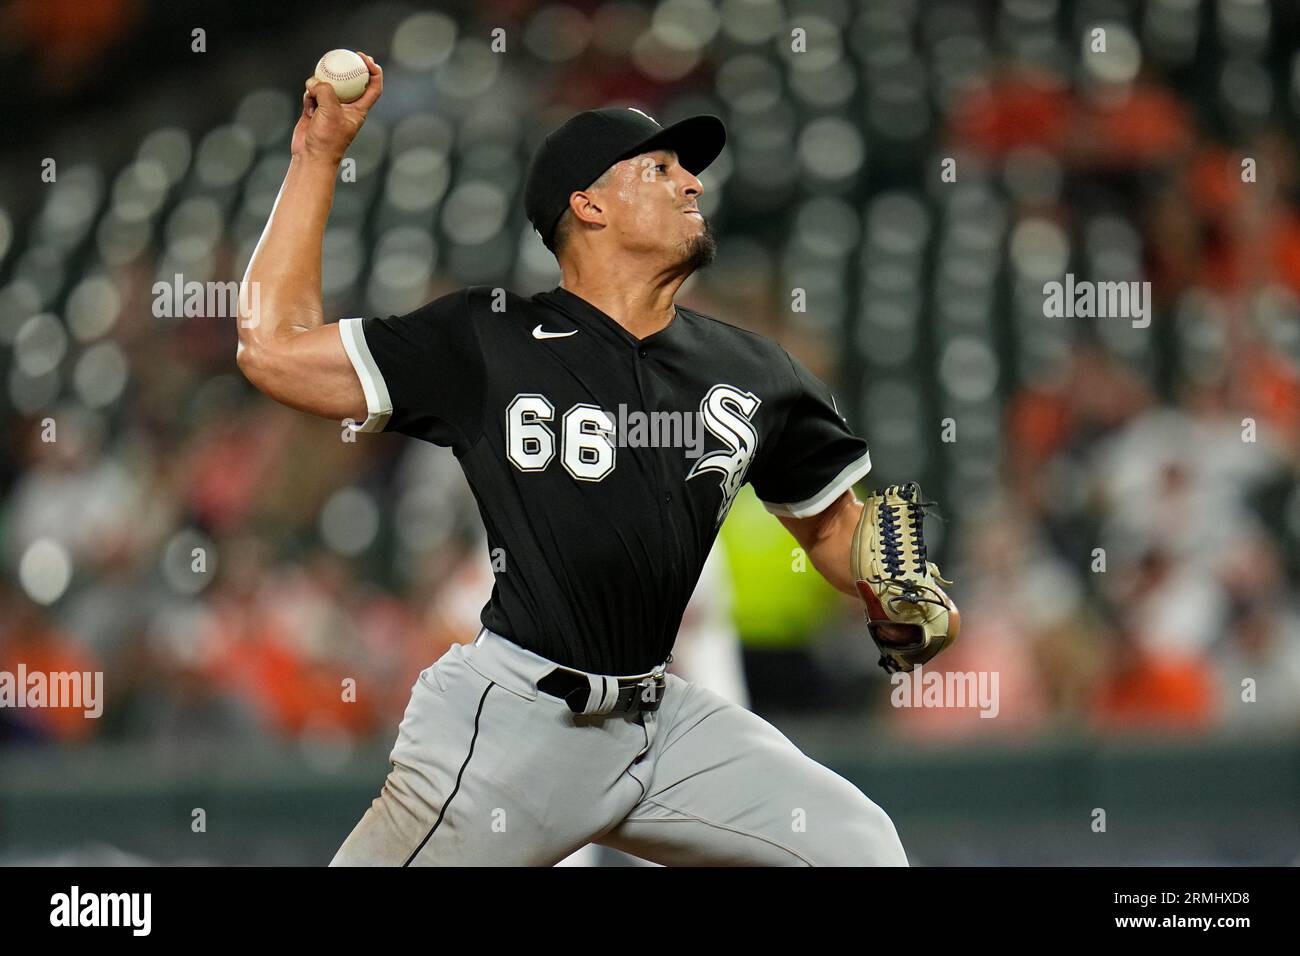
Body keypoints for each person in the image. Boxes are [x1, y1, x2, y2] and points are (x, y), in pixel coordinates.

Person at [235, 53, 908, 866]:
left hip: (664, 725)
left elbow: (832, 530)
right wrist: (318, 154)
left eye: (687, 170)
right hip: (518, 722)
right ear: (587, 205)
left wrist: (891, 579)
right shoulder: (487, 340)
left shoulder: (753, 370)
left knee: (858, 847)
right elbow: (273, 348)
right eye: (659, 168)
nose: (691, 183)